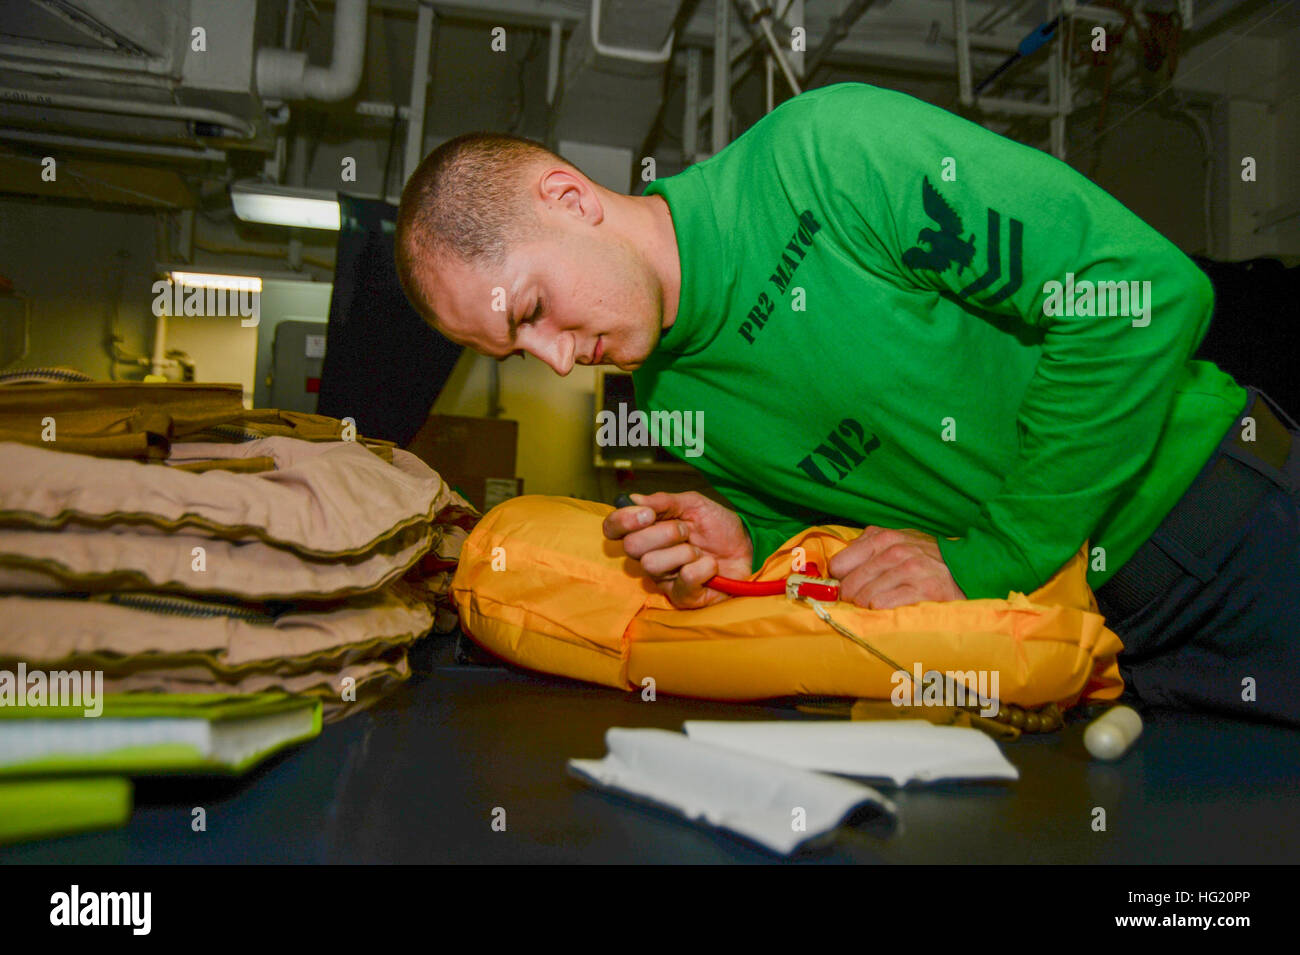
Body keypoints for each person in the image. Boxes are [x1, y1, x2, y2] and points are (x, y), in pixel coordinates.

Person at [395, 82, 1298, 724]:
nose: (555, 362)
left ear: (567, 196)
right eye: (513, 352)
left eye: (533, 313)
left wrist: (994, 557)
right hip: (1089, 638)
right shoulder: (662, 392)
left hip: (1231, 527)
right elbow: (851, 524)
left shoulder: (825, 156)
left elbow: (1140, 295)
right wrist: (750, 545)